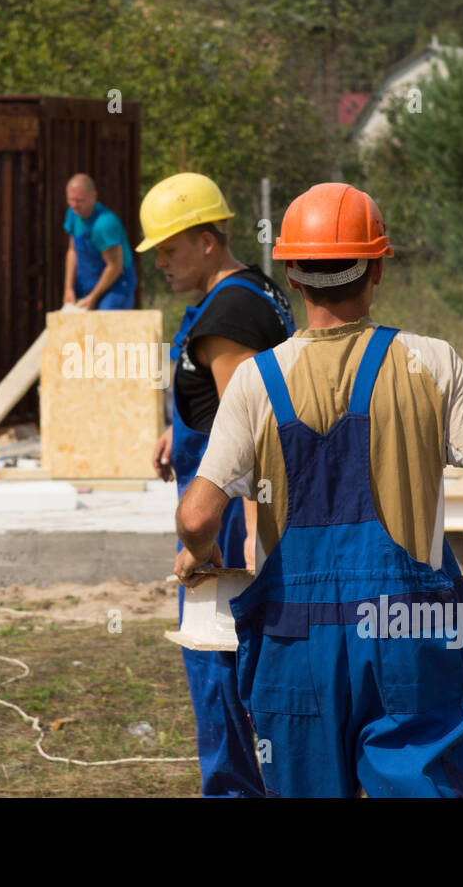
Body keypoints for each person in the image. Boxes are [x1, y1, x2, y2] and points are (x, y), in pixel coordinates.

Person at [174, 182, 463, 797]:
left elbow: (197, 514)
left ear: (291, 273)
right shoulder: (433, 362)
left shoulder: (257, 381)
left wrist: (201, 552)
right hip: (411, 633)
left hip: (296, 641)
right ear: (377, 270)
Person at [135, 172, 295, 797]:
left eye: (169, 251)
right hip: (222, 498)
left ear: (207, 240)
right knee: (236, 653)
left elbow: (250, 432)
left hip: (225, 512)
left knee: (218, 654)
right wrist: (180, 429)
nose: (162, 264)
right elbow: (221, 407)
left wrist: (243, 532)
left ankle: (237, 791)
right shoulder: (251, 291)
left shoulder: (227, 315)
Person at [62, 173, 136, 310]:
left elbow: (114, 266)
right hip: (88, 281)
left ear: (93, 196)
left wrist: (93, 297)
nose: (74, 205)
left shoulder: (104, 224)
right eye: (71, 200)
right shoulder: (73, 214)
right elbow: (72, 251)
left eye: (80, 200)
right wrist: (68, 289)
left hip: (116, 284)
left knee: (106, 324)